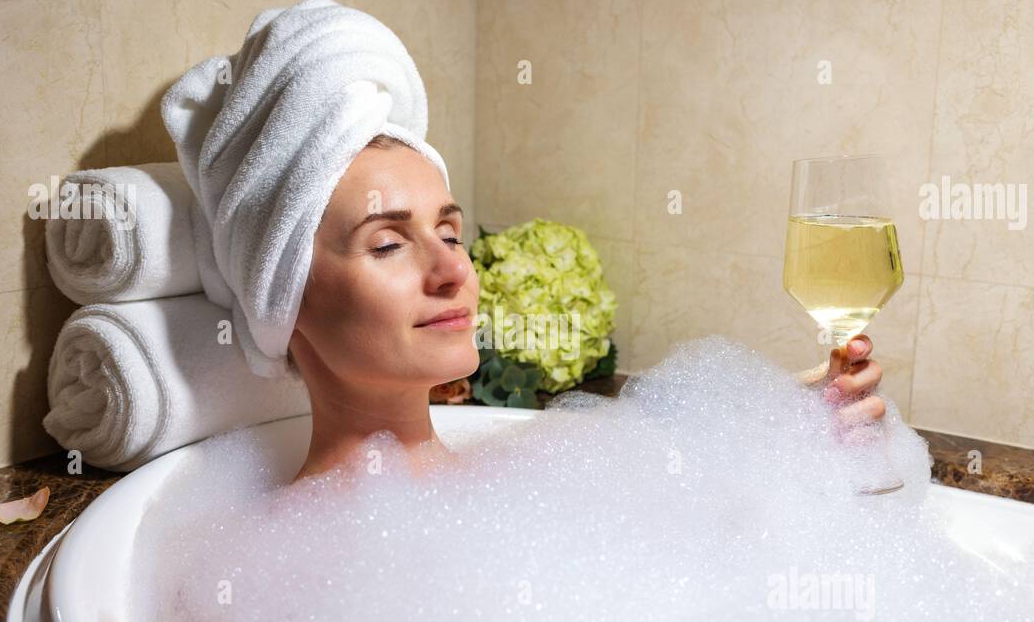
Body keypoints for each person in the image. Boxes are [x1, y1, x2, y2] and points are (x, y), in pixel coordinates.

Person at [288, 134, 886, 482]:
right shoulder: (291, 579)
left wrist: (808, 438)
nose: (454, 269)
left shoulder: (525, 473)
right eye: (388, 244)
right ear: (283, 302)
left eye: (449, 235)